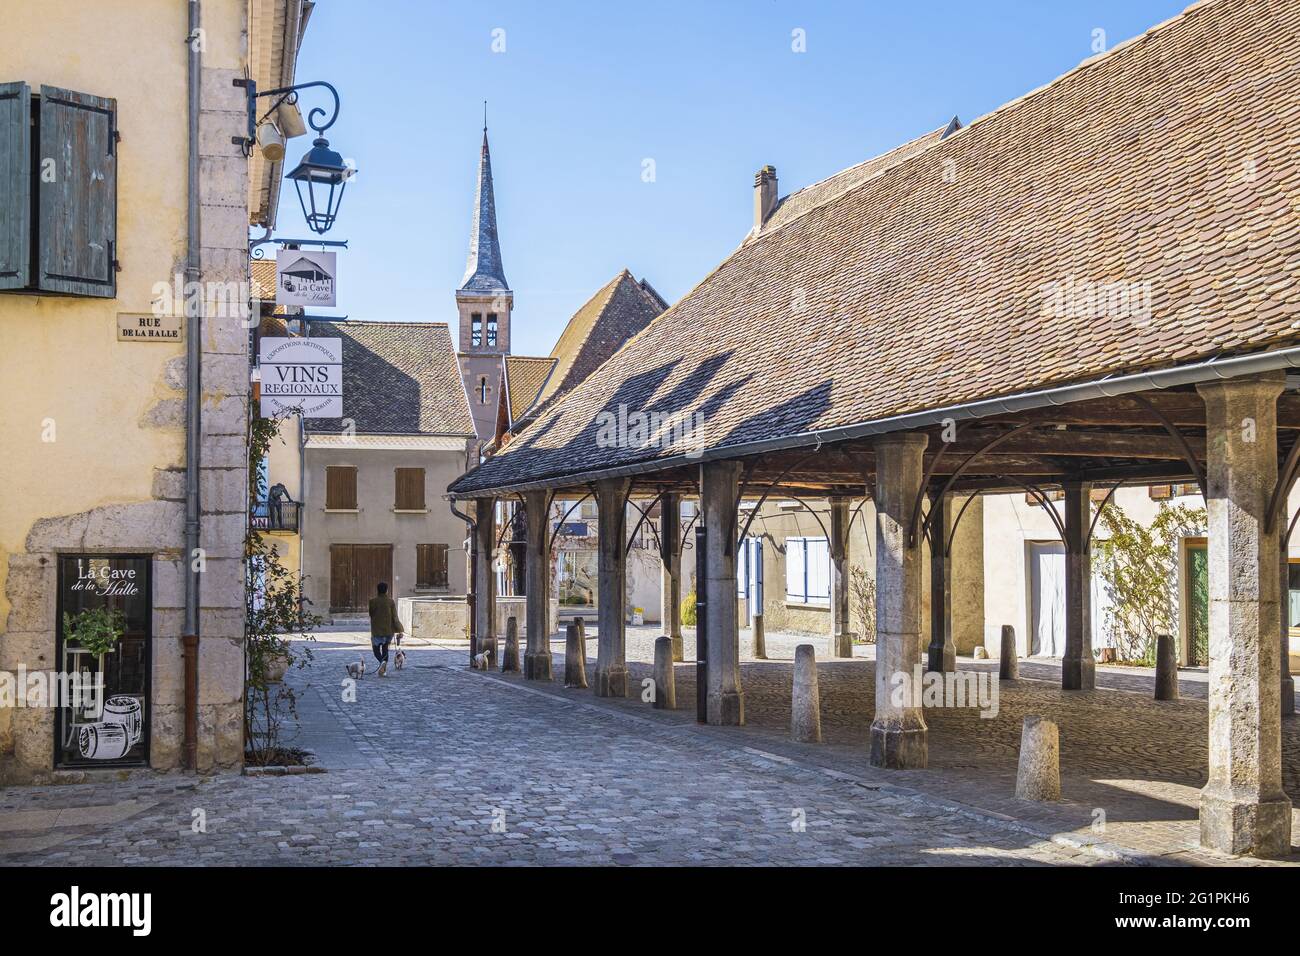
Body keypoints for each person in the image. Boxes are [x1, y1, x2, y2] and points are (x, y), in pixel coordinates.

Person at [367, 581, 404, 676]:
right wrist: (399, 629)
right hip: (388, 631)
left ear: (377, 590)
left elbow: (371, 614)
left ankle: (381, 663)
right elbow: (395, 617)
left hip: (376, 630)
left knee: (376, 650)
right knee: (385, 649)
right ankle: (383, 668)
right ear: (386, 591)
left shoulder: (372, 602)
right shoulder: (391, 602)